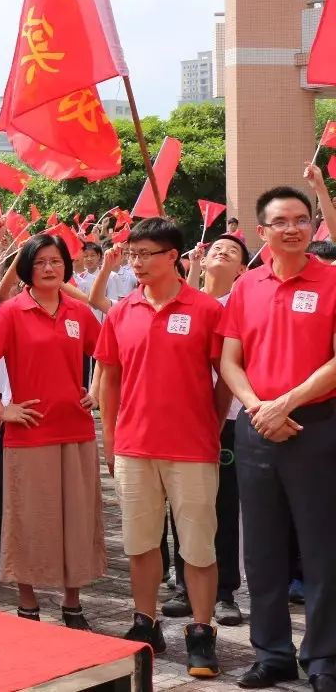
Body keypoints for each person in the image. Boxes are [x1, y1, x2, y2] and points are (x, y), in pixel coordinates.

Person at [95, 218, 227, 679]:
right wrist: (111, 441)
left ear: (174, 256)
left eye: (146, 253)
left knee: (198, 547)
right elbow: (109, 380)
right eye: (133, 255)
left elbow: (224, 376)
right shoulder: (121, 311)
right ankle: (145, 623)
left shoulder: (207, 309)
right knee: (140, 543)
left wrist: (208, 421)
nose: (137, 263)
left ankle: (201, 632)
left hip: (192, 448)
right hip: (134, 448)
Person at [220, 186, 336, 691]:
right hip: (256, 429)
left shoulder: (333, 281)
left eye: (301, 219)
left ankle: (325, 658)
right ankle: (271, 653)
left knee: (322, 548)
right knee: (261, 550)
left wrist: (284, 404)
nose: (293, 228)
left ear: (312, 226)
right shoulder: (247, 287)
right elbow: (229, 359)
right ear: (261, 233)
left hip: (317, 426)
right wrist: (257, 407)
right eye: (280, 221)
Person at [0, 235, 105, 630]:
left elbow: (109, 355)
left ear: (66, 267)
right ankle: (27, 603)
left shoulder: (79, 313)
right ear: (28, 268)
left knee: (76, 520)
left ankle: (73, 603)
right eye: (41, 262)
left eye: (56, 261)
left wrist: (95, 391)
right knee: (29, 520)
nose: (49, 268)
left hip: (76, 432)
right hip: (29, 434)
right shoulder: (12, 311)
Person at [163, 234, 251, 628]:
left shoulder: (245, 308)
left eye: (232, 251)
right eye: (216, 247)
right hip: (184, 420)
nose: (221, 251)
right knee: (182, 505)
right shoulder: (182, 301)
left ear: (243, 270)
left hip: (230, 420)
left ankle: (225, 591)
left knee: (223, 505)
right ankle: (184, 583)